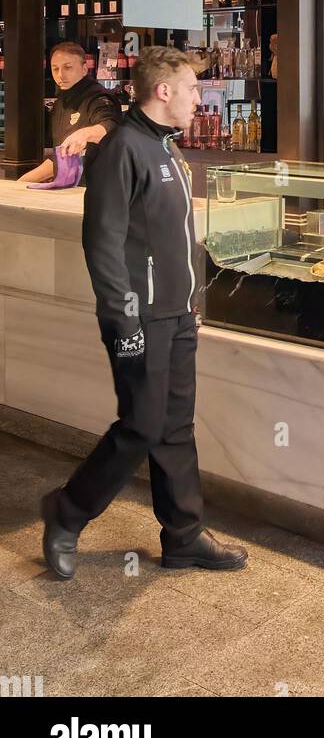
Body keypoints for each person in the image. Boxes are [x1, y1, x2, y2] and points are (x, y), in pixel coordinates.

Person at [39, 45, 246, 579]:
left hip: (176, 317)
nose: (199, 99)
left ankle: (184, 536)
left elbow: (179, 237)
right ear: (163, 91)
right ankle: (67, 510)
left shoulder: (169, 149)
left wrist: (194, 300)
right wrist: (123, 321)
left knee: (175, 425)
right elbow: (102, 245)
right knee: (142, 425)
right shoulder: (123, 148)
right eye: (193, 89)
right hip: (139, 318)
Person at [19, 42, 122, 183]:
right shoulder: (60, 103)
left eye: (67, 67)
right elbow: (60, 157)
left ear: (84, 69)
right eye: (55, 69)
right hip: (67, 189)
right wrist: (24, 181)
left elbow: (111, 124)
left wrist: (84, 134)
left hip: (97, 189)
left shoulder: (98, 97)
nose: (60, 74)